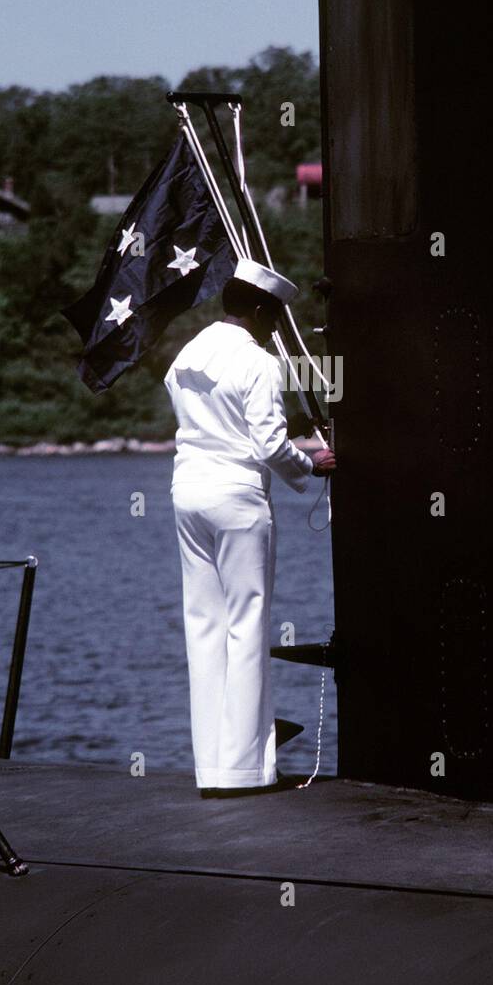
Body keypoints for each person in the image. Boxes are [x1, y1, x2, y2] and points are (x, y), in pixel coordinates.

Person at [163, 257, 336, 798]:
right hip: (237, 498)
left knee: (205, 628)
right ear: (260, 309)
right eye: (276, 316)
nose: (278, 327)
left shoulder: (186, 354)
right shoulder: (257, 362)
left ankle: (212, 770)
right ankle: (245, 772)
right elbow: (266, 444)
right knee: (247, 625)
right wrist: (312, 465)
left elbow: (209, 425)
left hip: (187, 493)